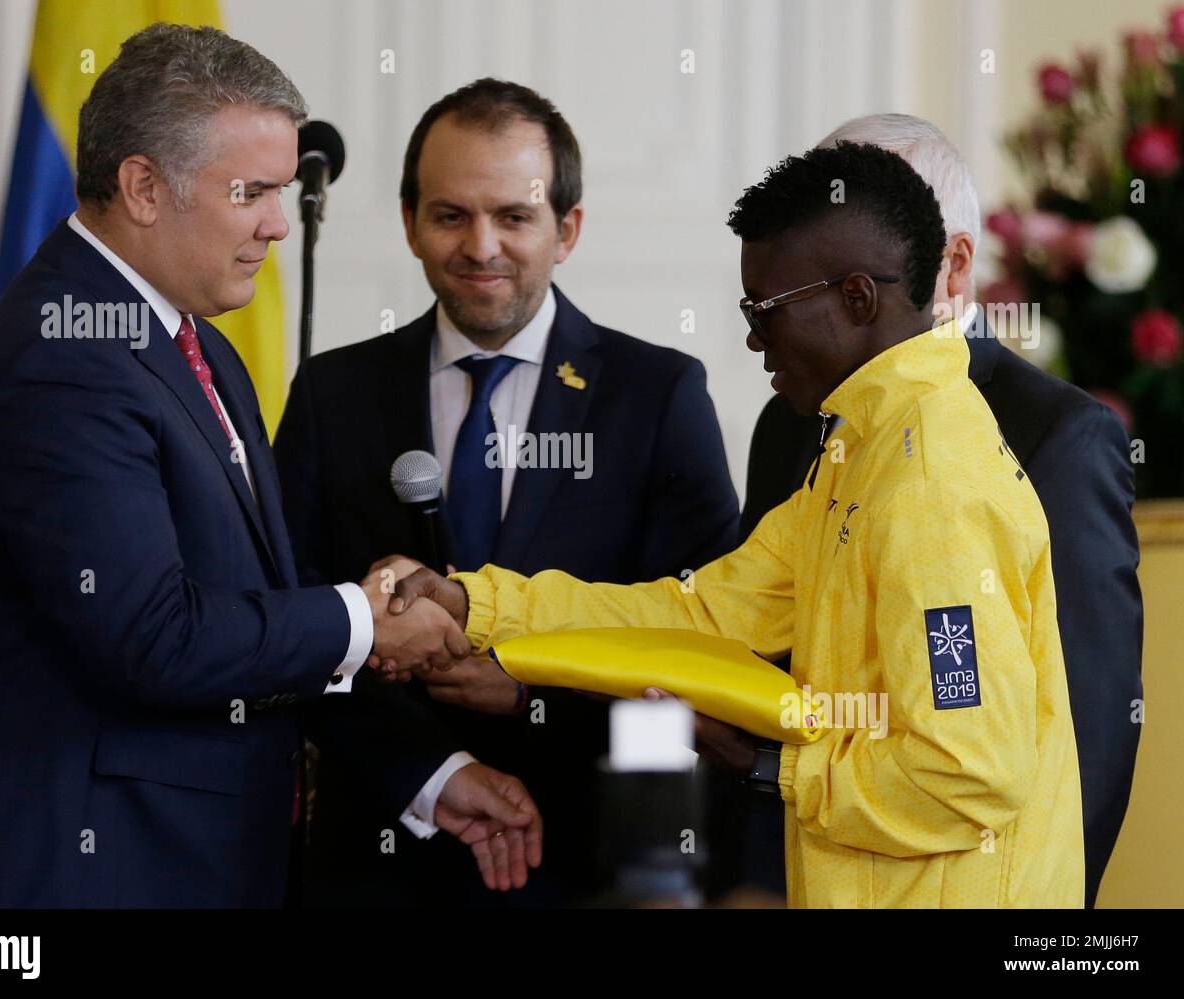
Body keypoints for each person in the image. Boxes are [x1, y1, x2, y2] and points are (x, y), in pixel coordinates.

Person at [0, 24, 539, 908]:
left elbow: (252, 601)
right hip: (80, 874)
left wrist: (426, 774)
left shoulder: (195, 342)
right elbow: (152, 636)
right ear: (144, 186)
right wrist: (364, 621)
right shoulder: (64, 357)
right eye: (255, 192)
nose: (281, 222)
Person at [384, 142, 1087, 908]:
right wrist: (477, 604)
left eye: (764, 309)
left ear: (856, 298)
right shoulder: (865, 447)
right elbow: (699, 610)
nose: (754, 339)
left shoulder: (930, 482)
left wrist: (768, 764)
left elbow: (967, 774)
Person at [274, 78, 738, 906]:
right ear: (410, 221)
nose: (481, 246)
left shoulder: (657, 396)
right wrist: (431, 771)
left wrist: (531, 686)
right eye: (450, 215)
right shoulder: (329, 393)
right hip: (378, 859)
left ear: (568, 229)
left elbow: (701, 646)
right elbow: (284, 624)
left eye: (514, 217)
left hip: (590, 864)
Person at [719, 115, 1141, 909]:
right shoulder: (791, 419)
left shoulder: (1058, 434)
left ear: (951, 262)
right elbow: (761, 653)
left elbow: (1083, 736)